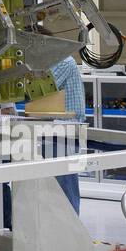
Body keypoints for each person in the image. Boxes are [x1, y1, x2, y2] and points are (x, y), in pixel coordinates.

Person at [48, 53, 86, 213]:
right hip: (56, 128)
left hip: (66, 130)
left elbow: (40, 89)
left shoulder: (62, 61)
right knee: (57, 183)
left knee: (64, 184)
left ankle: (72, 231)